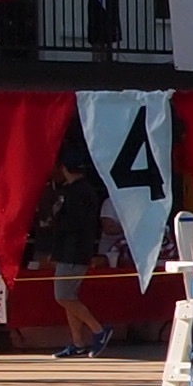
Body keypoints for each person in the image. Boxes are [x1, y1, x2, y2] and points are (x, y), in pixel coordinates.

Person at [37, 148, 109, 358]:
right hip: (76, 249)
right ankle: (78, 341)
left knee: (63, 296)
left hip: (72, 250)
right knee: (70, 295)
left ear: (64, 169)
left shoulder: (74, 192)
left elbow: (69, 223)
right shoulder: (87, 190)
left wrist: (55, 220)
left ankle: (98, 329)